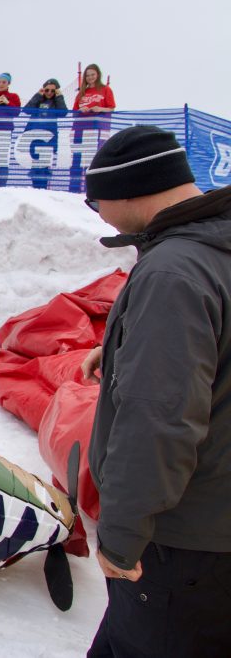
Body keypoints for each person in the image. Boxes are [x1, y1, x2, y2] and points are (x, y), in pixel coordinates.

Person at [78, 125, 231, 658]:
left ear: (128, 190)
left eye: (95, 199)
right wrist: (120, 348)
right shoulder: (215, 248)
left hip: (179, 541)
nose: (95, 212)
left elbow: (159, 421)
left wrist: (121, 535)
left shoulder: (173, 273)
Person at [70, 63, 117, 193]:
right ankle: (73, 188)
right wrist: (81, 109)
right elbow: (74, 111)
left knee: (93, 159)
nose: (90, 77)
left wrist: (99, 108)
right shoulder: (82, 92)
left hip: (97, 128)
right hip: (80, 127)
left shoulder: (105, 89)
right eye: (88, 75)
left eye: (93, 75)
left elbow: (112, 107)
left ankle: (91, 189)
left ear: (98, 75)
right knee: (77, 158)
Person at [23, 78, 68, 190]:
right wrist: (38, 95)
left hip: (49, 138)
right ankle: (35, 189)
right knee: (35, 165)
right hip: (34, 137)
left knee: (44, 167)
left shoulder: (56, 102)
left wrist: (59, 97)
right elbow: (27, 109)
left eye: (52, 91)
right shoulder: (39, 100)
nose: (49, 93)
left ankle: (43, 190)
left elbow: (63, 112)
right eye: (47, 90)